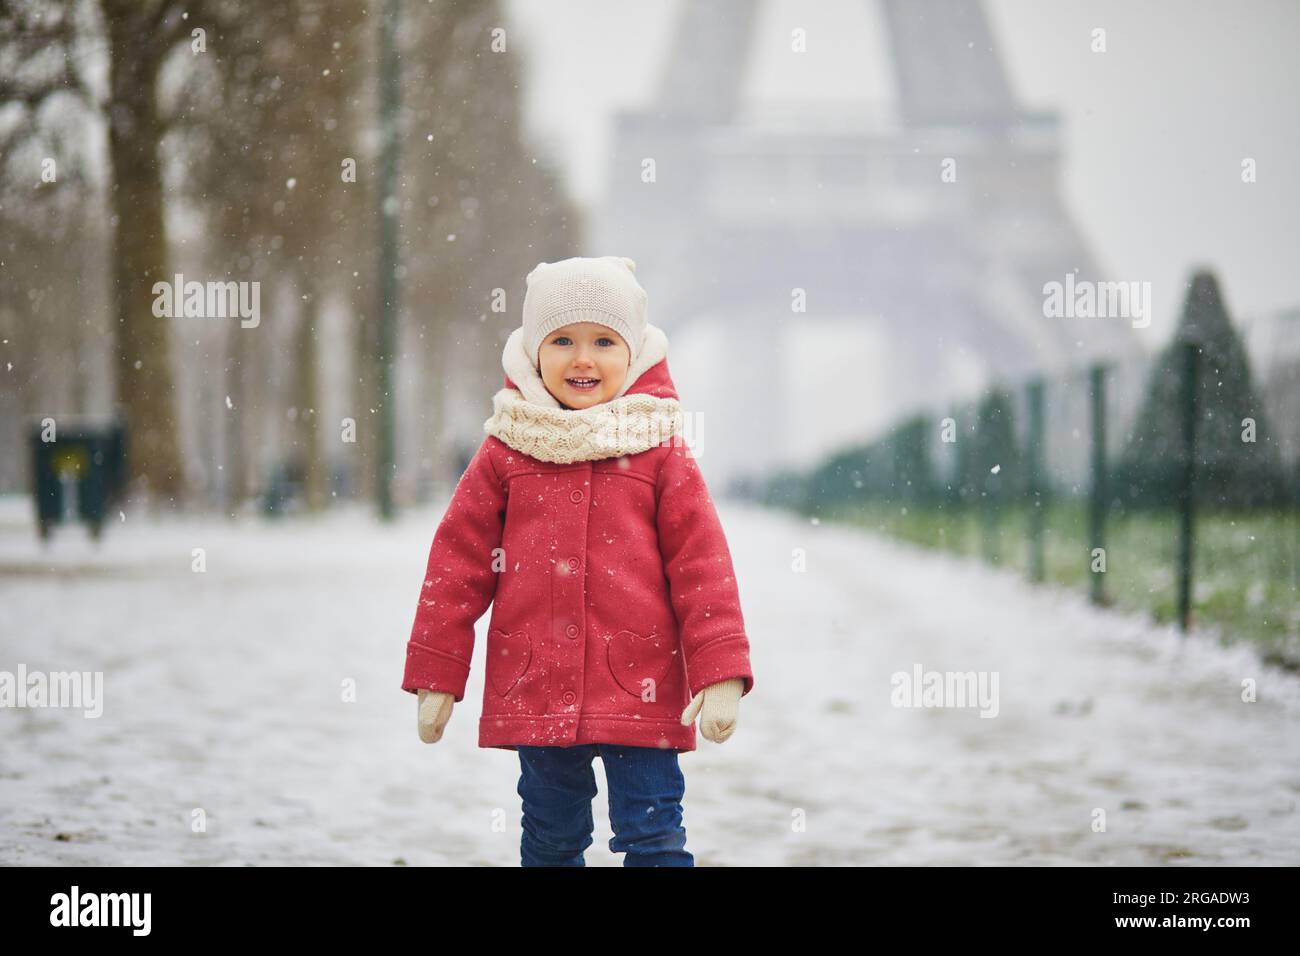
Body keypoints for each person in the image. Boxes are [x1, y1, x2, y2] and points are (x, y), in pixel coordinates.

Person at [400, 255, 755, 866]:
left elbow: (702, 568)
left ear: (635, 352)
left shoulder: (660, 450)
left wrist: (720, 669)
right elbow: (457, 564)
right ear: (534, 352)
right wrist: (438, 671)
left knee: (653, 838)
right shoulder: (506, 448)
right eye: (561, 340)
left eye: (603, 341)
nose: (582, 358)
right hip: (539, 685)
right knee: (550, 840)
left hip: (642, 686)